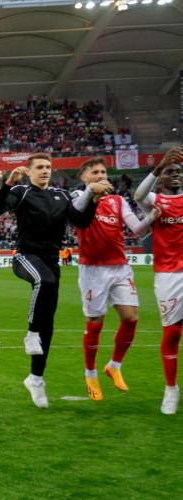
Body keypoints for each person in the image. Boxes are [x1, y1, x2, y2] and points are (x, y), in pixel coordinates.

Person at [0, 154, 95, 408]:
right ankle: (30, 333)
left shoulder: (63, 195)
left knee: (49, 323)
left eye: (48, 167)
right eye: (40, 167)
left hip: (50, 261)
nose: (45, 171)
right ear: (29, 170)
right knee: (44, 283)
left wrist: (93, 198)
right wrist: (5, 184)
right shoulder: (21, 191)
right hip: (25, 256)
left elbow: (82, 221)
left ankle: (36, 378)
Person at [72, 157, 156, 401]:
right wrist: (91, 190)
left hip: (119, 267)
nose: (100, 175)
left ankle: (114, 366)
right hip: (92, 270)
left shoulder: (118, 201)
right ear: (84, 177)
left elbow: (136, 229)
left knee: (131, 318)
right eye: (94, 172)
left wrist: (151, 218)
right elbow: (77, 211)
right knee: (95, 322)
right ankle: (90, 373)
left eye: (103, 172)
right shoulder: (79, 196)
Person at [133, 148, 183, 415]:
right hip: (168, 274)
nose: (175, 175)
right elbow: (138, 195)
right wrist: (156, 167)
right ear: (160, 177)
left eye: (177, 172)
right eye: (169, 172)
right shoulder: (156, 201)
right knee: (173, 333)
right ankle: (171, 389)